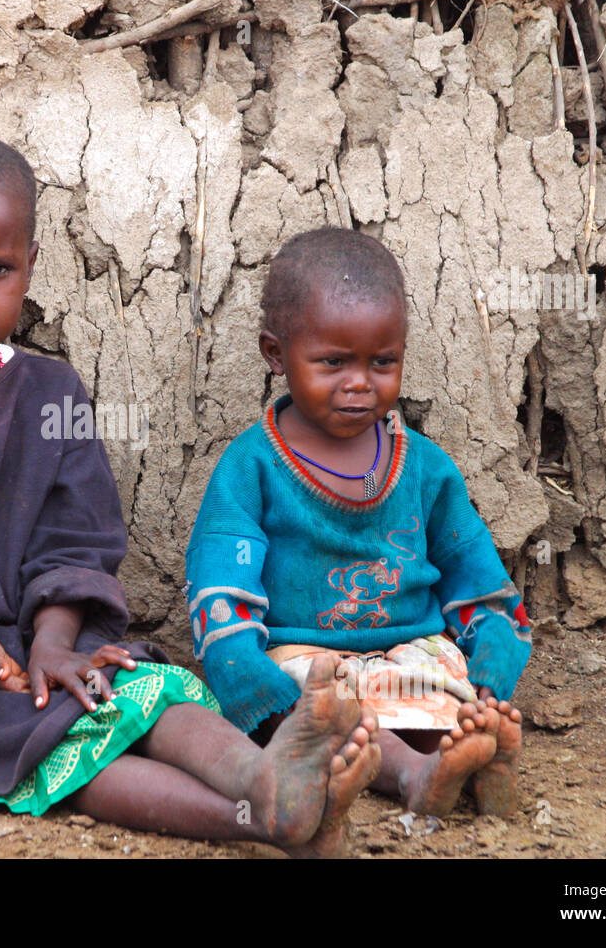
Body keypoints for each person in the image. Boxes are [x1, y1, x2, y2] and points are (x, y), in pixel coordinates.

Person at [0, 132, 381, 856]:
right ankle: (269, 818)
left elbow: (75, 543)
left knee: (138, 691)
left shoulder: (48, 393)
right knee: (50, 743)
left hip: (46, 632)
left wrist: (54, 641)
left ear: (31, 267)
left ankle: (266, 778)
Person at [185, 227, 531, 818]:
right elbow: (220, 589)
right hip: (302, 659)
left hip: (409, 653)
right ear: (276, 354)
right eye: (333, 362)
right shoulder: (253, 467)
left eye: (382, 362)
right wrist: (244, 674)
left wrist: (490, 673)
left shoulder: (424, 468)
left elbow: (477, 578)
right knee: (312, 714)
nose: (359, 384)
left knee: (440, 697)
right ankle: (419, 773)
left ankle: (467, 752)